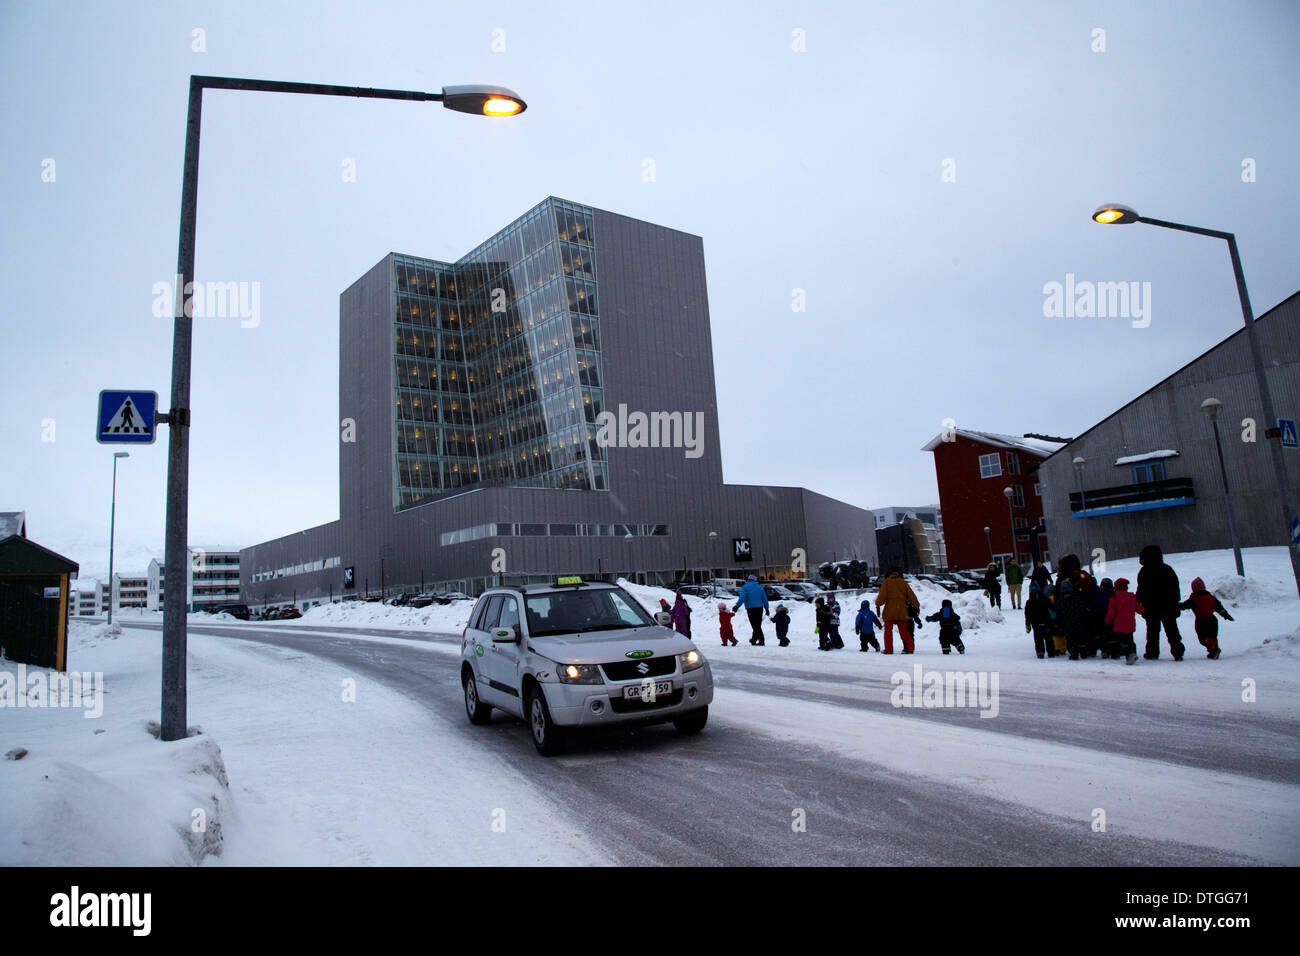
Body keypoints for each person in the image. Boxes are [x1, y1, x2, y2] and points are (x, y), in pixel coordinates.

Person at [1135, 544, 1185, 661]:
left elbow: (1141, 589)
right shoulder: (1167, 569)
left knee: (1152, 631)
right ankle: (1177, 651)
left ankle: (1152, 652)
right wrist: (1175, 602)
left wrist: (1139, 601)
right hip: (1168, 605)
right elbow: (1175, 587)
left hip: (1151, 606)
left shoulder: (1144, 571)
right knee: (1172, 630)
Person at [1178, 577, 1234, 659]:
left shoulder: (1195, 598)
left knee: (1203, 638)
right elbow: (1219, 608)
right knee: (1212, 637)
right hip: (1213, 620)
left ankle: (1213, 649)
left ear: (1193, 588)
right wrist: (1226, 615)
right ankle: (1213, 651)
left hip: (1201, 621)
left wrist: (1176, 605)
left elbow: (1184, 606)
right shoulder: (1211, 597)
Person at [874, 567, 918, 654]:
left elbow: (882, 597)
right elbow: (911, 595)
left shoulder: (886, 582)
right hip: (901, 609)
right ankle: (910, 648)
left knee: (888, 631)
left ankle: (889, 649)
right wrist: (916, 605)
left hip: (889, 610)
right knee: (904, 631)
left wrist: (878, 604)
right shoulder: (903, 582)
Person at [1103, 577, 1144, 665]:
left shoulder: (1114, 598)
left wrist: (1107, 621)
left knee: (1121, 641)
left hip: (1119, 624)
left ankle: (1130, 654)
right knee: (1130, 640)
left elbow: (1111, 613)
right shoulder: (1132, 597)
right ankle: (1132, 654)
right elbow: (1139, 609)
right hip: (1130, 623)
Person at [732, 574, 770, 645]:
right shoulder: (760, 588)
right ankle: (754, 639)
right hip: (759, 608)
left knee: (754, 625)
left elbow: (742, 598)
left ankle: (761, 640)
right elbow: (765, 599)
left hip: (751, 608)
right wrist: (767, 608)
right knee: (757, 624)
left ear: (748, 579)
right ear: (755, 580)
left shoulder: (745, 587)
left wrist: (736, 606)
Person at [1024, 582, 1053, 658]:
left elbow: (1027, 614)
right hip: (1046, 621)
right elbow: (1051, 608)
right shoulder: (1045, 599)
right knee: (1048, 637)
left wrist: (1028, 624)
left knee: (1038, 638)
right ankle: (1051, 651)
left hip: (1035, 623)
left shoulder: (1029, 602)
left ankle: (1040, 652)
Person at [1090, 577, 1117, 658]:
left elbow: (1092, 605)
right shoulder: (1113, 595)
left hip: (1100, 617)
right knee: (1112, 635)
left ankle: (1105, 650)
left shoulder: (1099, 595)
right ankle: (1114, 651)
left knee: (1102, 634)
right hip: (1112, 617)